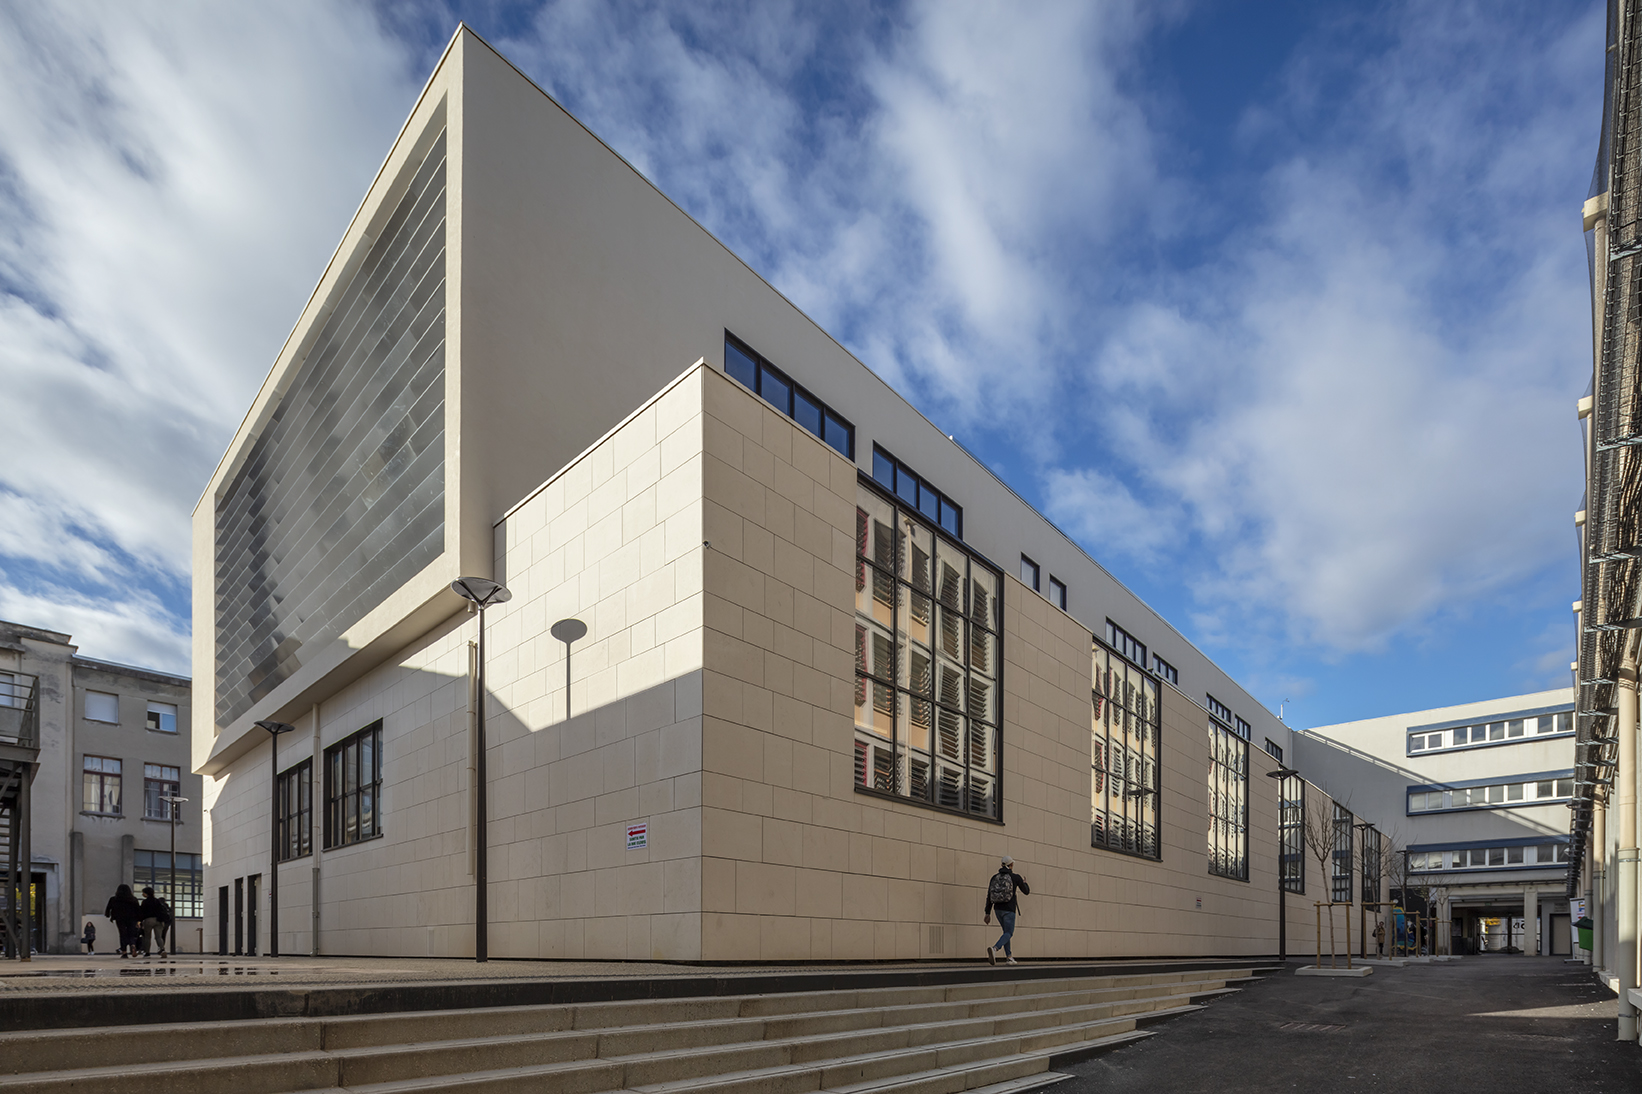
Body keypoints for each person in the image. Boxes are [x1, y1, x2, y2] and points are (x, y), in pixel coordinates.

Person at [982, 855, 1030, 965]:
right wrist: (1025, 883)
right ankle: (995, 949)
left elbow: (989, 895)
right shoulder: (1015, 877)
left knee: (1006, 933)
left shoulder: (994, 878)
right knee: (1009, 932)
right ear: (1011, 865)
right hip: (1009, 909)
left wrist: (987, 912)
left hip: (997, 909)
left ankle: (1009, 957)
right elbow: (1026, 891)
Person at [104, 884, 142, 958]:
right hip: (132, 919)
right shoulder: (133, 899)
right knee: (131, 934)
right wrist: (139, 920)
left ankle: (124, 952)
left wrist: (108, 915)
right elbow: (138, 910)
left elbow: (108, 908)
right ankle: (133, 945)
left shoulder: (114, 899)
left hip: (120, 919)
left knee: (122, 934)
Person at [138, 887, 174, 958]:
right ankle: (162, 949)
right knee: (158, 937)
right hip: (158, 920)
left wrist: (140, 921)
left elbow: (141, 912)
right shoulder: (157, 901)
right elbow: (161, 911)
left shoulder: (145, 902)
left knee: (147, 937)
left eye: (143, 893)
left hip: (148, 920)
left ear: (146, 893)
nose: (143, 894)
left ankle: (147, 952)